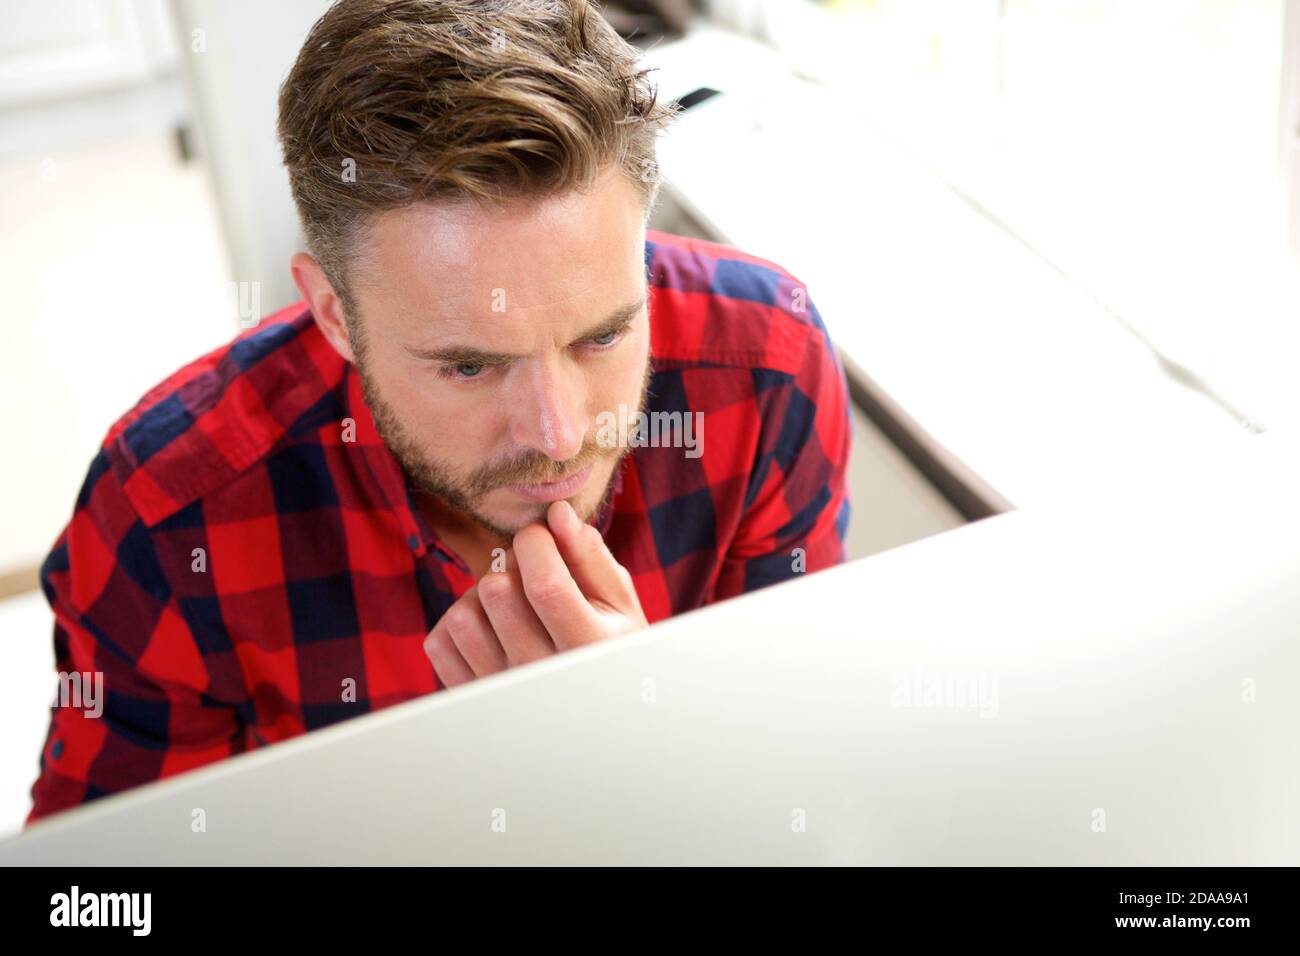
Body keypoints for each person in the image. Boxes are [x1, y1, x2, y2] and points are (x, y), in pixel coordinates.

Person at [27, 0, 852, 823]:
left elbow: (810, 780)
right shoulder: (167, 516)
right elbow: (96, 900)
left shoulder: (766, 370)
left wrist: (642, 751)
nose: (560, 434)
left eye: (602, 336)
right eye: (468, 365)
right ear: (333, 315)